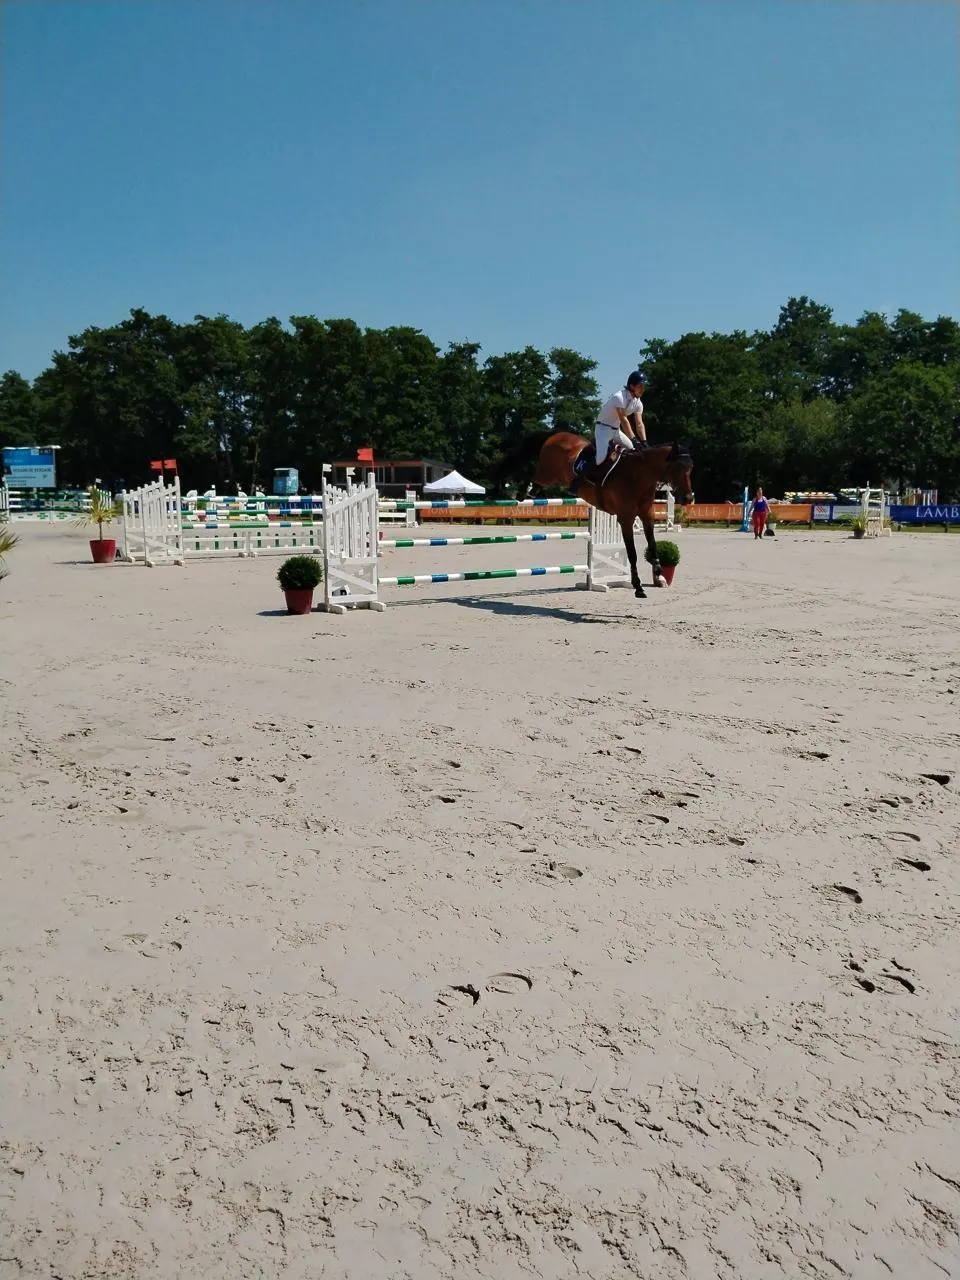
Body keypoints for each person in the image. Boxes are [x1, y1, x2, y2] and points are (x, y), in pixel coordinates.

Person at [574, 371, 648, 490]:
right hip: (603, 428)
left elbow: (640, 424)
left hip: (615, 431)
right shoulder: (619, 397)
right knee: (600, 459)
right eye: (640, 386)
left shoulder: (638, 403)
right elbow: (623, 419)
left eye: (643, 386)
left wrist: (644, 441)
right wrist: (634, 439)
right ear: (632, 386)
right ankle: (578, 479)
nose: (643, 389)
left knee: (632, 451)